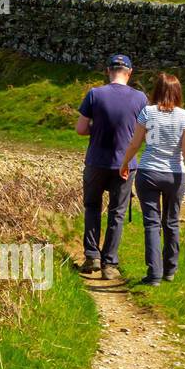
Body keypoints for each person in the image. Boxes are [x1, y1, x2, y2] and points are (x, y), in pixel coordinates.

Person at [120, 72, 185, 285]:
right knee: (172, 222)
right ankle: (170, 270)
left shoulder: (147, 112)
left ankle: (154, 273)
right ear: (178, 92)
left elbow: (135, 144)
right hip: (175, 175)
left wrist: (125, 163)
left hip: (148, 172)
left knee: (152, 224)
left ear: (157, 91)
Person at [75, 54, 146, 280]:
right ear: (129, 72)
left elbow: (80, 129)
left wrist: (96, 128)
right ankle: (109, 264)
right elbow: (143, 133)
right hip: (125, 163)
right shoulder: (141, 98)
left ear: (108, 71)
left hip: (96, 160)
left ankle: (91, 256)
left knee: (92, 207)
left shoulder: (95, 94)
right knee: (117, 212)